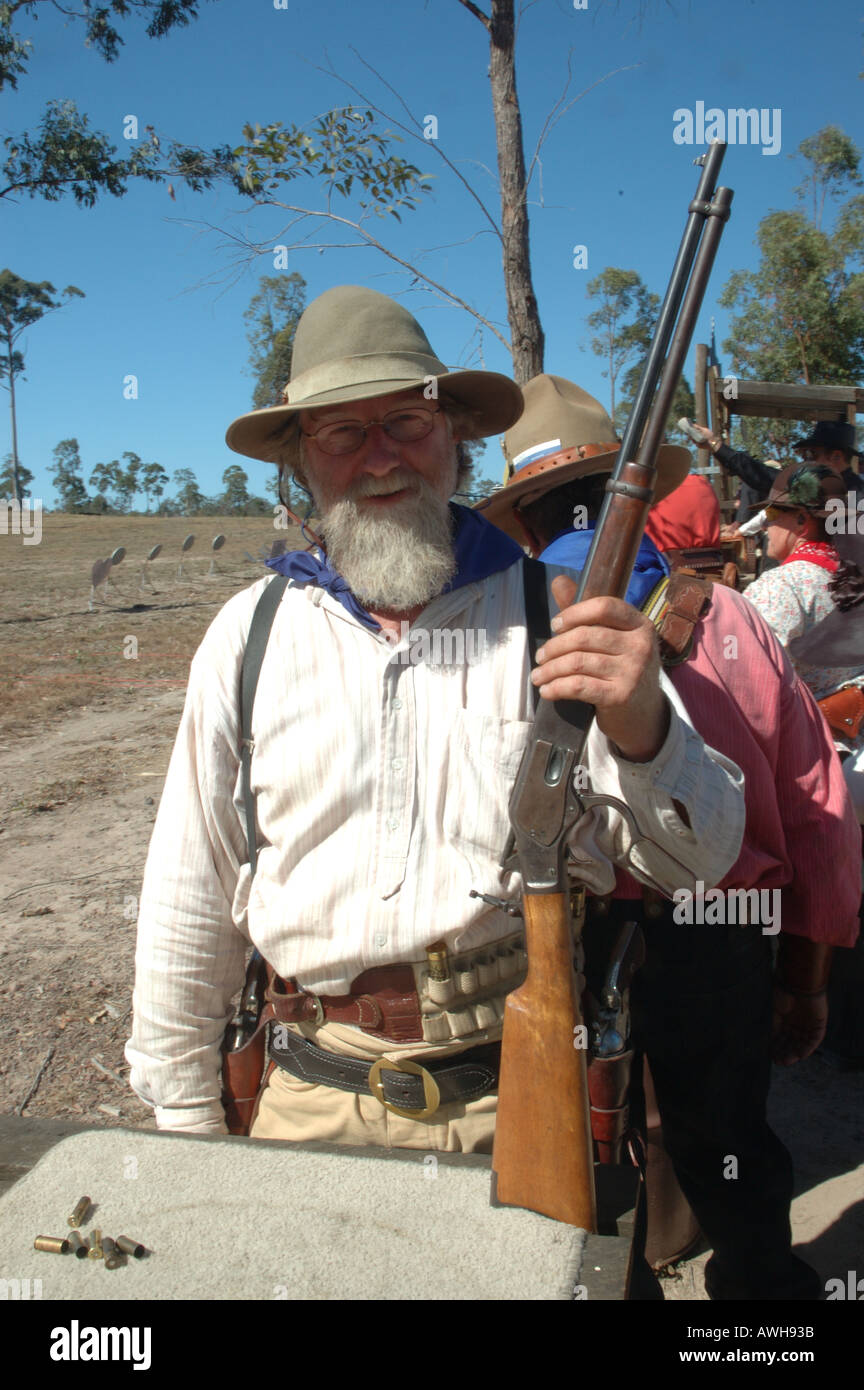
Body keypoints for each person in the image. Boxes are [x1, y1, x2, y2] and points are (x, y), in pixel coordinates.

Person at [126, 288, 745, 1165]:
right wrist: (184, 1125)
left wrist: (643, 722)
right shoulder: (248, 636)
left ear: (455, 436)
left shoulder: (558, 616)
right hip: (305, 1095)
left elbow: (702, 862)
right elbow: (189, 896)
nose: (381, 457)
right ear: (302, 460)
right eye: (343, 432)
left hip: (522, 1092)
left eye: (408, 423)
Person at [476, 374, 861, 1301]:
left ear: (521, 519)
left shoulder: (493, 627)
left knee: (581, 1157)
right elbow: (818, 810)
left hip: (561, 937)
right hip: (721, 939)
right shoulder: (735, 616)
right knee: (732, 1146)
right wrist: (807, 977)